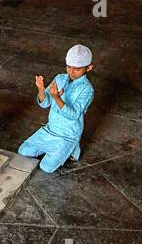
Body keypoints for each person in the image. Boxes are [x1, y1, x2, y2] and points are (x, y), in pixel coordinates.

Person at [19, 44, 94, 173]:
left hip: (68, 135)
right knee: (23, 151)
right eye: (68, 67)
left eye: (76, 69)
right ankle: (60, 151)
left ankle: (71, 148)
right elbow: (45, 103)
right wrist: (41, 90)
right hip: (51, 129)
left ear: (89, 67)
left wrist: (57, 98)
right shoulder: (59, 78)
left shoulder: (87, 90)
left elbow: (74, 115)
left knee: (46, 167)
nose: (71, 72)